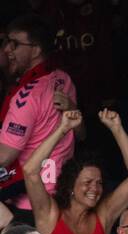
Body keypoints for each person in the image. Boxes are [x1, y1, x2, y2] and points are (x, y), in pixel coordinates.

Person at [0, 14, 76, 208]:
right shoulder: (63, 78)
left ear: (36, 50)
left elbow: (4, 156)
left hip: (28, 199)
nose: (7, 49)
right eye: (7, 42)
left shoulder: (28, 96)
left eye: (14, 44)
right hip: (61, 190)